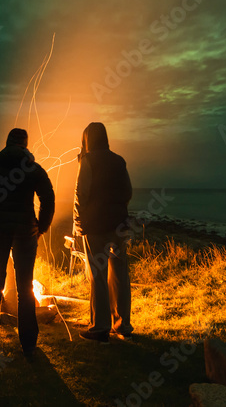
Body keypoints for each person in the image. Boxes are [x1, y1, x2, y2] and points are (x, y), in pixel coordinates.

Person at [0, 128, 54, 357]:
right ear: (25, 145)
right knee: (25, 288)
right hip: (26, 233)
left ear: (7, 143)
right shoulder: (34, 169)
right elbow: (48, 197)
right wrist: (41, 227)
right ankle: (28, 344)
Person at [72, 122, 134, 342]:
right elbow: (128, 191)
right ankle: (122, 325)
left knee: (97, 275)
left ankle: (99, 328)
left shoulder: (88, 160)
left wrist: (79, 222)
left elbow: (81, 193)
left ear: (87, 138)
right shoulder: (119, 160)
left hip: (95, 225)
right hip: (119, 224)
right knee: (119, 274)